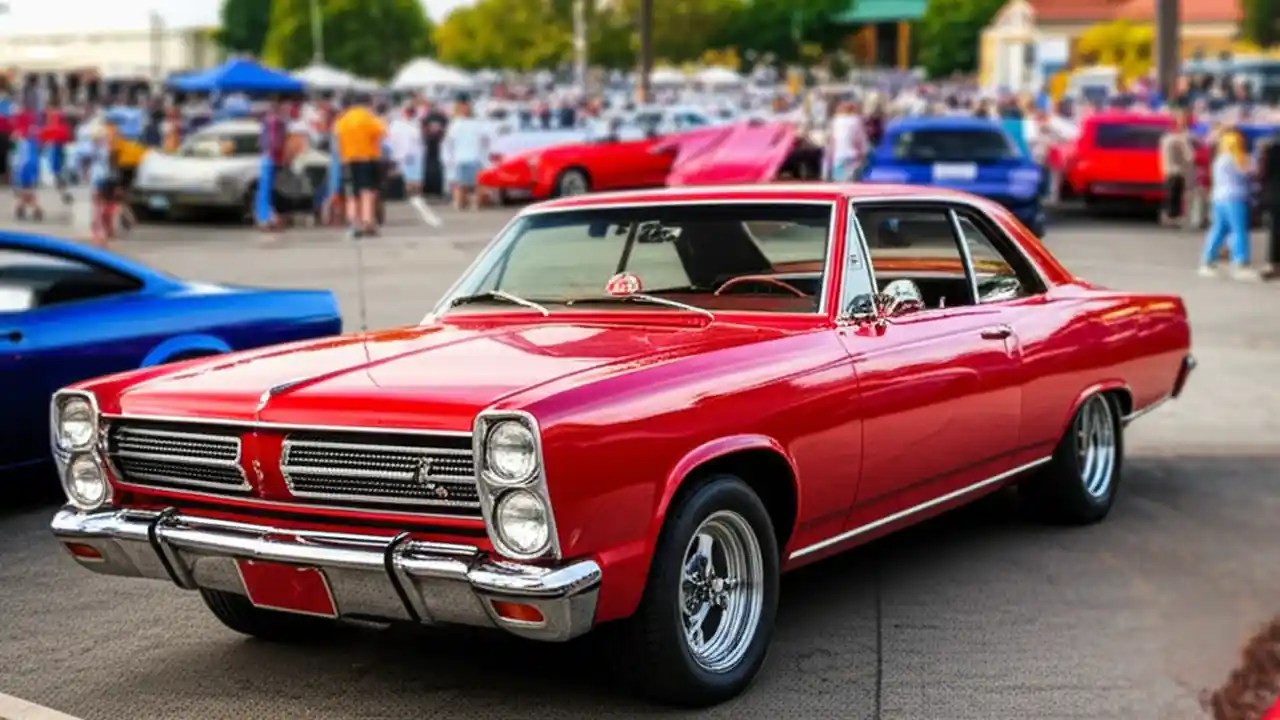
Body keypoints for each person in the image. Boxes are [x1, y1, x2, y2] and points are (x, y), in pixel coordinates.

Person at [1200, 131, 1259, 280]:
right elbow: (1250, 173)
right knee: (1239, 230)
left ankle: (1207, 260)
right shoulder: (1238, 159)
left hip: (1218, 198)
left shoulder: (1219, 160)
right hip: (1235, 198)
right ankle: (1240, 262)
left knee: (1218, 229)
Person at [333, 92, 386, 237]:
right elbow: (382, 132)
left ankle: (353, 222)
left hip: (348, 159)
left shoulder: (343, 118)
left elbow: (337, 137)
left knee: (352, 193)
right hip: (367, 158)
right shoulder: (368, 117)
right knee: (367, 192)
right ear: (369, 103)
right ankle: (368, 222)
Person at [441, 96, 489, 211]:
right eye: (462, 106)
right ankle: (460, 203)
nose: (465, 109)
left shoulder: (477, 123)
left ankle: (475, 204)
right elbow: (448, 142)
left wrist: (484, 155)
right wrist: (448, 158)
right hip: (461, 158)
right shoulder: (455, 124)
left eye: (466, 106)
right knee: (461, 185)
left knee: (477, 184)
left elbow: (485, 139)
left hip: (474, 158)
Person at [387, 104, 429, 216]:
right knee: (411, 175)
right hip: (410, 153)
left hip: (409, 153)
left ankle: (414, 194)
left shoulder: (401, 124)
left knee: (413, 175)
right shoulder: (404, 124)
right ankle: (413, 194)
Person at [255, 99, 289, 231]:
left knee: (265, 190)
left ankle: (265, 217)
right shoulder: (275, 122)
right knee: (267, 189)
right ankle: (265, 218)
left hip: (267, 157)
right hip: (271, 158)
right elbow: (274, 141)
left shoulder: (267, 122)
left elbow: (264, 141)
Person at [1158, 111, 1196, 227]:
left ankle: (1168, 217)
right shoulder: (1181, 139)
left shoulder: (1165, 138)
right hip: (1178, 172)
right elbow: (1190, 156)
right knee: (1176, 196)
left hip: (1167, 170)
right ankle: (1174, 217)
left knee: (1170, 195)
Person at [12, 108, 44, 221]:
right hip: (32, 164)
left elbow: (22, 155)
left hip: (26, 165)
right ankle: (25, 208)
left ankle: (33, 209)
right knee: (28, 189)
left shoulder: (24, 135)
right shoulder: (34, 132)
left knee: (27, 189)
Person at [825, 101, 868, 183]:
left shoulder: (836, 121)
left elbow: (832, 141)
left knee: (839, 181)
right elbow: (861, 140)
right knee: (852, 181)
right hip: (853, 157)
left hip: (838, 157)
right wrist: (864, 153)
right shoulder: (856, 120)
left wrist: (829, 158)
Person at [1260, 129, 1280, 277]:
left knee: (1275, 231)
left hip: (1272, 195)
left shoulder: (1270, 152)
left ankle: (1273, 264)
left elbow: (1263, 174)